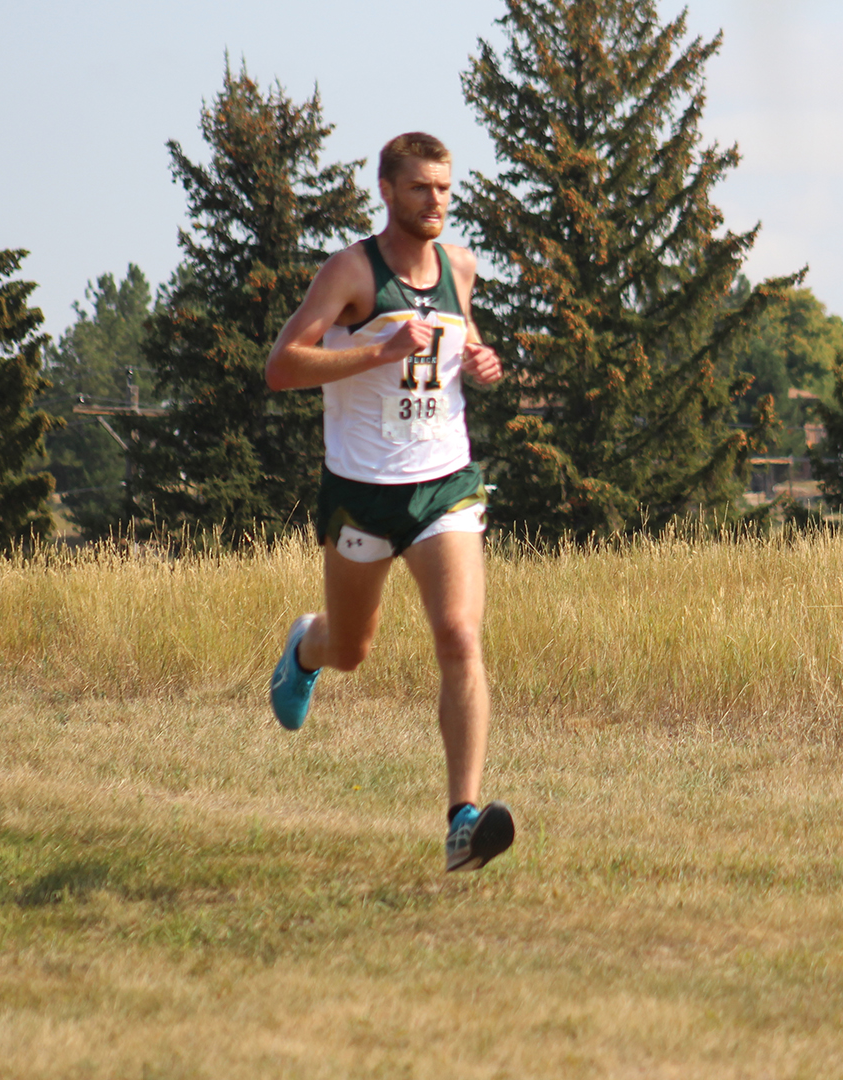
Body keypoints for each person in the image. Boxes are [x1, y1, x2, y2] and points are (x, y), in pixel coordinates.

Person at [264, 132, 515, 873]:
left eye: (444, 187)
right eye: (420, 189)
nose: (436, 201)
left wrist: (481, 360)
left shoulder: (460, 267)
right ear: (387, 191)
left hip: (445, 482)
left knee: (460, 636)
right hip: (361, 493)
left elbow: (458, 347)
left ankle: (463, 820)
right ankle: (307, 645)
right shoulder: (351, 272)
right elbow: (282, 367)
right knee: (352, 650)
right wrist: (375, 350)